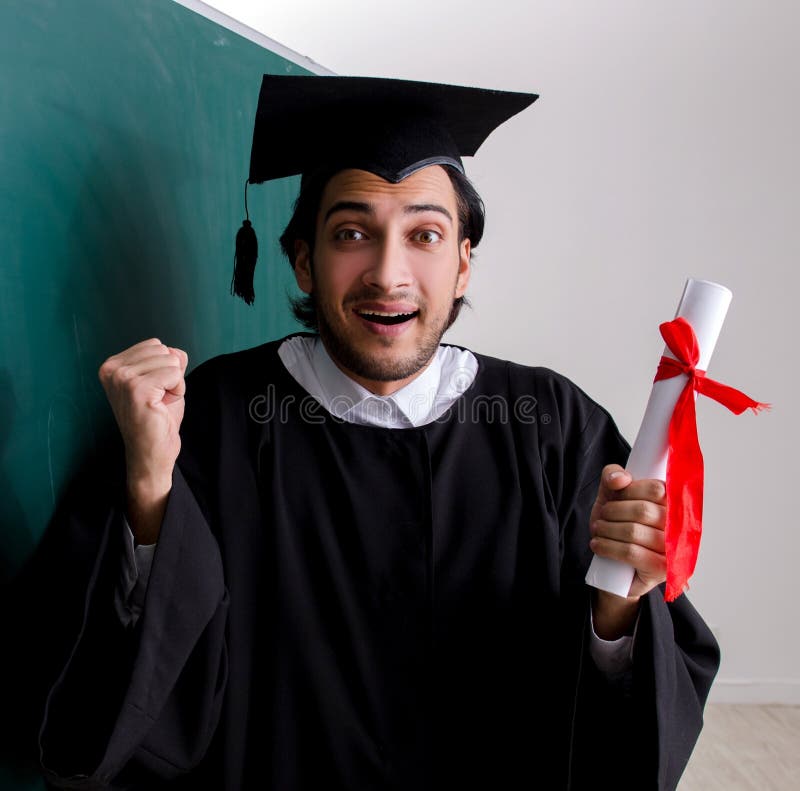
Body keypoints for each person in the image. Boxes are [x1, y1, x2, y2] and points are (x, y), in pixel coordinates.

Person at [11, 75, 719, 790]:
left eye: (425, 235)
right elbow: (105, 696)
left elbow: (623, 721)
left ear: (464, 262)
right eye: (352, 233)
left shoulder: (551, 427)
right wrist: (148, 493)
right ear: (302, 260)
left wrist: (618, 601)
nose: (388, 272)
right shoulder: (204, 421)